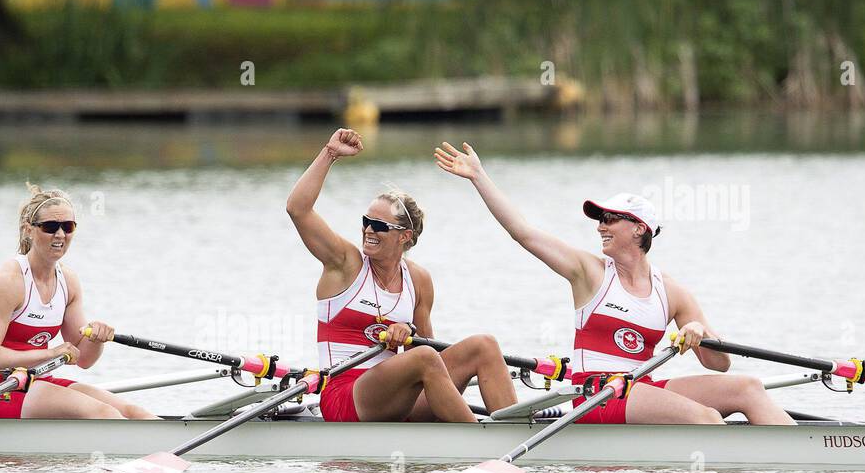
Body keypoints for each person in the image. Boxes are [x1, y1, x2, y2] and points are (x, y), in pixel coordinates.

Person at [434, 140, 793, 425]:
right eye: (600, 219)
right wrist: (479, 177)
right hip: (595, 394)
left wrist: (699, 331)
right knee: (706, 419)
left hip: (639, 390)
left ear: (639, 229)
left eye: (610, 219)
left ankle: (800, 453)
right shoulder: (588, 272)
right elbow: (524, 233)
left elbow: (720, 365)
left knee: (747, 387)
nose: (600, 225)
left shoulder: (672, 292)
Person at [285, 128, 518, 423]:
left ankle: (515, 432)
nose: (369, 230)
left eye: (380, 226)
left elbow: (428, 350)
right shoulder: (345, 263)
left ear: (404, 236)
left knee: (484, 345)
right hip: (346, 396)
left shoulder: (418, 280)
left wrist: (409, 334)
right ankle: (483, 445)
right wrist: (329, 154)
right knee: (423, 359)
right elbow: (298, 209)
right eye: (366, 222)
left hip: (400, 398)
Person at [0, 185, 157, 420]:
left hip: (40, 381)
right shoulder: (7, 282)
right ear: (29, 230)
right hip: (0, 390)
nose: (60, 235)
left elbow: (84, 358)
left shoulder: (68, 281)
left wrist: (97, 338)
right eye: (50, 227)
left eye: (67, 227)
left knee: (133, 413)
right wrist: (51, 353)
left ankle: (177, 453)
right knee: (104, 414)